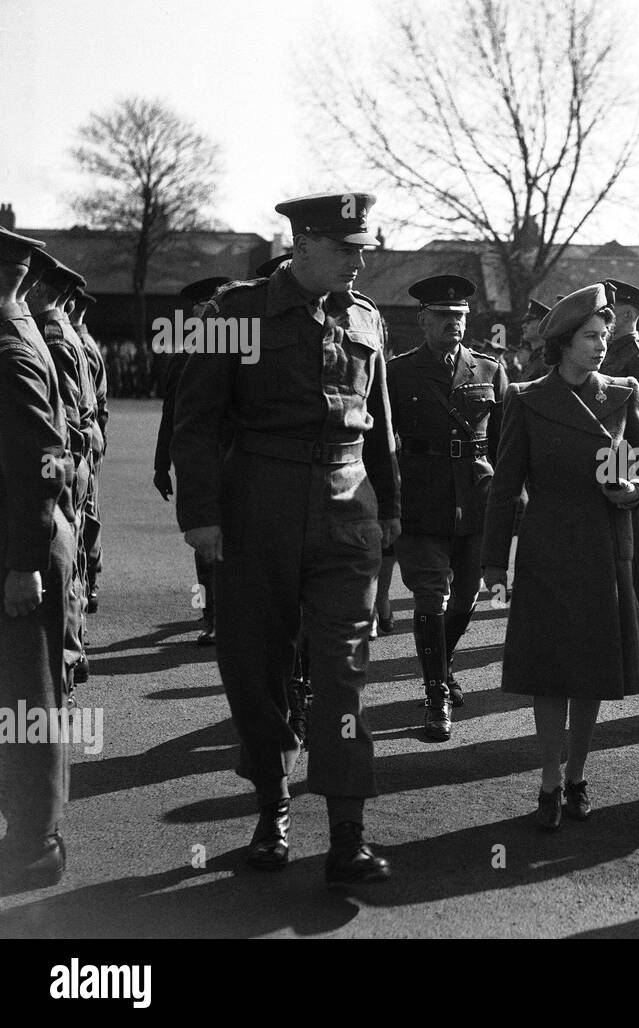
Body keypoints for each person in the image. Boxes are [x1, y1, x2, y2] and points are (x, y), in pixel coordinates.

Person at [171, 192, 400, 885]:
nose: (360, 262)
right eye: (346, 249)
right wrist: (201, 518)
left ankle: (347, 832)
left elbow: (380, 426)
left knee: (343, 674)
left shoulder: (366, 318)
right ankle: (272, 807)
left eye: (364, 249)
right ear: (301, 242)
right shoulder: (231, 316)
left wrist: (390, 513)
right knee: (256, 667)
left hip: (346, 510)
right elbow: (196, 422)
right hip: (257, 511)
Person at [481, 283, 639, 830]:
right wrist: (492, 562)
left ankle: (578, 775)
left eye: (605, 335)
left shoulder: (625, 392)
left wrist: (637, 492)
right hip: (548, 547)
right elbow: (505, 485)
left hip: (607, 544)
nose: (601, 345)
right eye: (590, 336)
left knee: (593, 673)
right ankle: (550, 781)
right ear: (562, 342)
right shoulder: (526, 399)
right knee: (552, 672)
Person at [388, 274, 508, 741]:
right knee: (430, 594)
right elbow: (381, 442)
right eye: (442, 316)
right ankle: (435, 694)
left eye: (459, 316)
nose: (452, 324)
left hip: (476, 497)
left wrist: (510, 495)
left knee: (467, 596)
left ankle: (443, 662)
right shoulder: (397, 372)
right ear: (423, 319)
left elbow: (504, 441)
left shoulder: (489, 370)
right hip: (420, 495)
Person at [0, 227, 76, 891]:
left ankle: (35, 845)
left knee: (29, 699)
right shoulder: (15, 327)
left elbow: (44, 460)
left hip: (22, 546)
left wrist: (23, 561)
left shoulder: (10, 345)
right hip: (19, 540)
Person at [25, 254, 99, 691]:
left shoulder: (51, 333)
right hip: (73, 456)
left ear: (38, 289)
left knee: (60, 568)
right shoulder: (61, 331)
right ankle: (71, 658)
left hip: (62, 458)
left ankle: (66, 666)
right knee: (70, 566)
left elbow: (64, 415)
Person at [154, 277, 233, 647]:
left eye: (207, 309)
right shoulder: (185, 355)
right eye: (199, 310)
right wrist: (160, 465)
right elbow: (172, 414)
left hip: (240, 457)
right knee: (204, 543)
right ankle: (211, 615)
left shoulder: (247, 351)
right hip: (202, 459)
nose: (201, 316)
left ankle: (236, 612)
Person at [601, 279, 639, 632]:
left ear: (626, 314)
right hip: (609, 462)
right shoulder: (610, 353)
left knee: (637, 541)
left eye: (609, 312)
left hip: (632, 465)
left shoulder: (638, 359)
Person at [67, 289, 108, 615]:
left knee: (83, 518)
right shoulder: (85, 342)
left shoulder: (76, 343)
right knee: (86, 514)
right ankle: (88, 582)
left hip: (79, 442)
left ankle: (88, 583)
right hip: (89, 439)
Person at [508, 299, 551, 383]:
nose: (523, 326)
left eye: (529, 322)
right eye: (525, 322)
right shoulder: (534, 359)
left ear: (543, 325)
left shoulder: (547, 361)